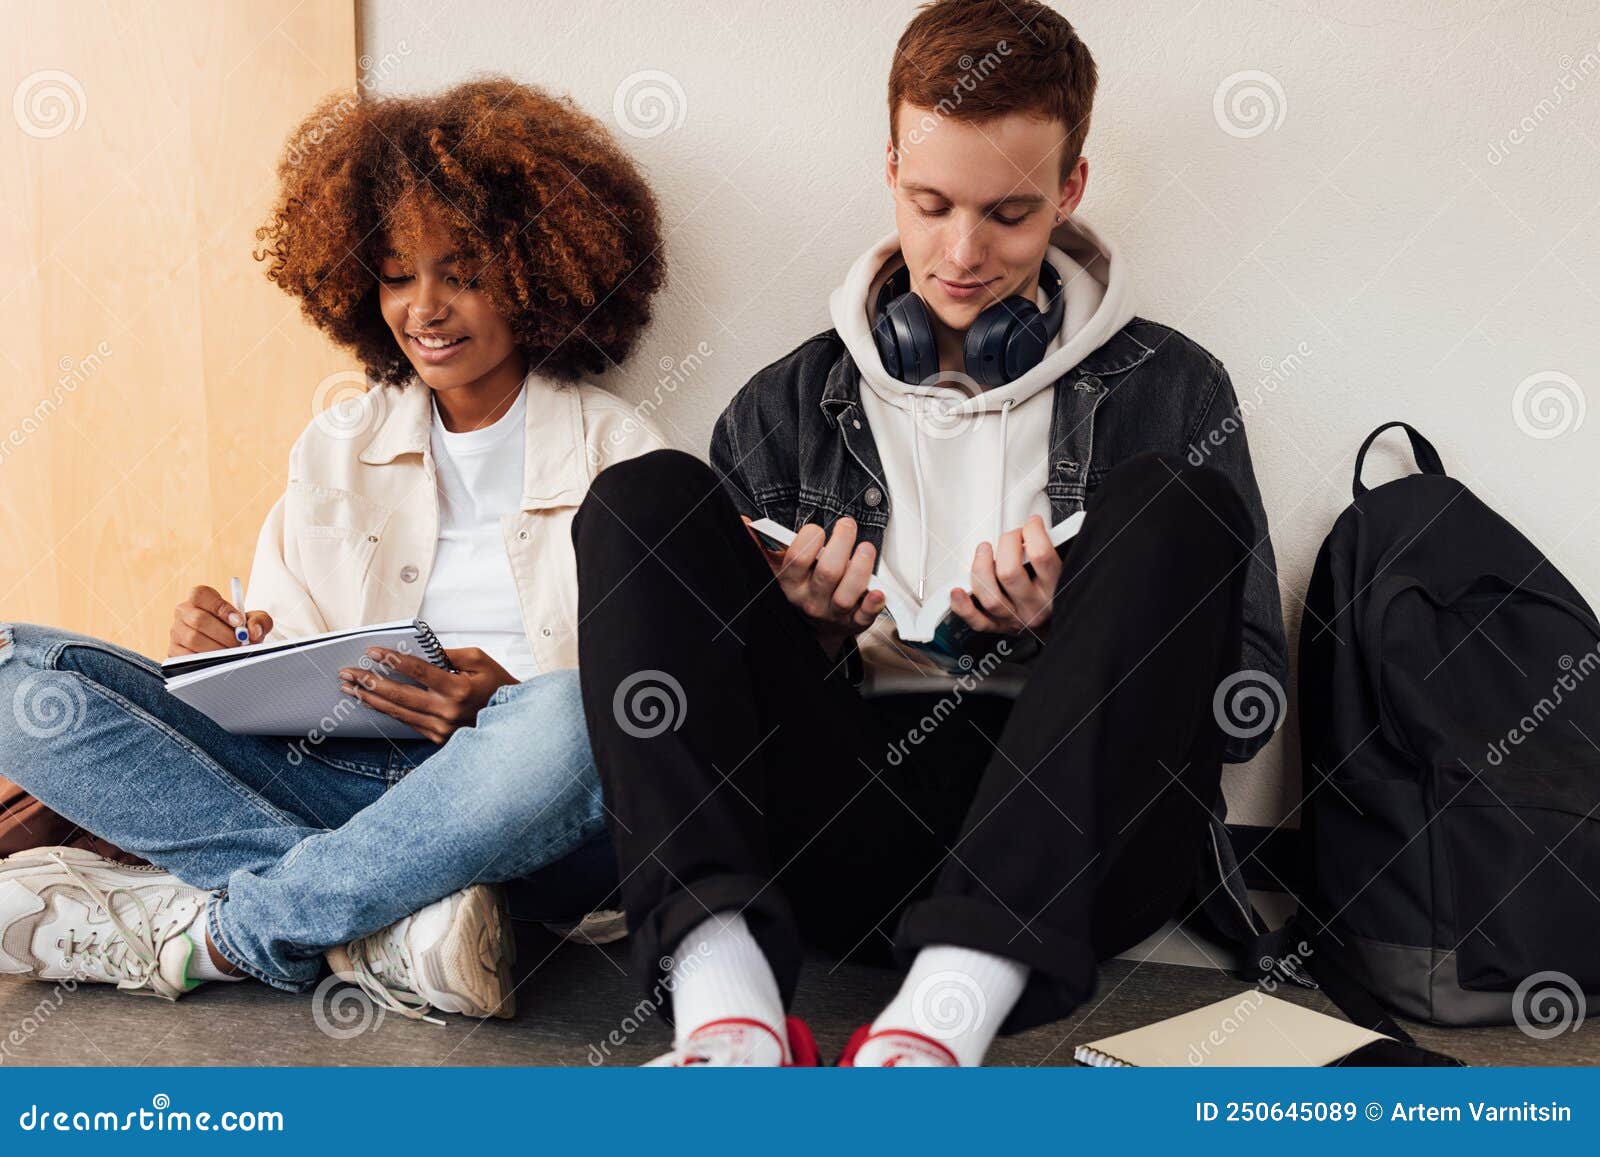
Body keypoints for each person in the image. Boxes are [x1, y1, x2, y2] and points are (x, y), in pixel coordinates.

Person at [573, 0, 1288, 1065]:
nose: (960, 253)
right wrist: (810, 638)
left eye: (1007, 213)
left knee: (1173, 498)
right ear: (891, 170)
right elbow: (712, 704)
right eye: (929, 202)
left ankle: (942, 1013)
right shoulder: (782, 403)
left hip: (1077, 852)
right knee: (639, 496)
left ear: (1070, 190)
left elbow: (1248, 706)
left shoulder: (1172, 389)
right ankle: (726, 1014)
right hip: (837, 837)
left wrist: (1073, 634)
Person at [0, 78, 667, 1022]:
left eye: (463, 271)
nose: (424, 308)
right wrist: (229, 649)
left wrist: (500, 696)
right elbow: (288, 668)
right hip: (343, 780)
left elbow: (650, 711)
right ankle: (392, 927)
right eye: (398, 274)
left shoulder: (626, 454)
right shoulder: (336, 445)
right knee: (17, 675)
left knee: (567, 718)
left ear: (537, 273)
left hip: (522, 806)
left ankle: (227, 934)